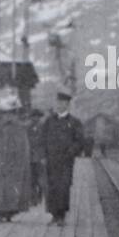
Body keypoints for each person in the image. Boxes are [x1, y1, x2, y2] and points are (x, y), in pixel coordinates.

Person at [39, 89, 86, 226]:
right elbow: (41, 140)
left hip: (66, 161)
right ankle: (54, 215)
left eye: (62, 103)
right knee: (51, 187)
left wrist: (70, 152)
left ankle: (62, 216)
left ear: (67, 104)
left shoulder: (74, 122)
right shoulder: (49, 121)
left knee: (64, 187)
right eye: (58, 102)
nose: (59, 105)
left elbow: (80, 141)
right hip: (50, 160)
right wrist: (43, 156)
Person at [0, 93, 33, 221]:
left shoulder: (17, 128)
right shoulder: (0, 128)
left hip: (11, 163)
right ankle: (1, 211)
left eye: (10, 113)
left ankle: (9, 211)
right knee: (0, 186)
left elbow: (22, 147)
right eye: (6, 113)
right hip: (1, 162)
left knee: (10, 187)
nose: (8, 116)